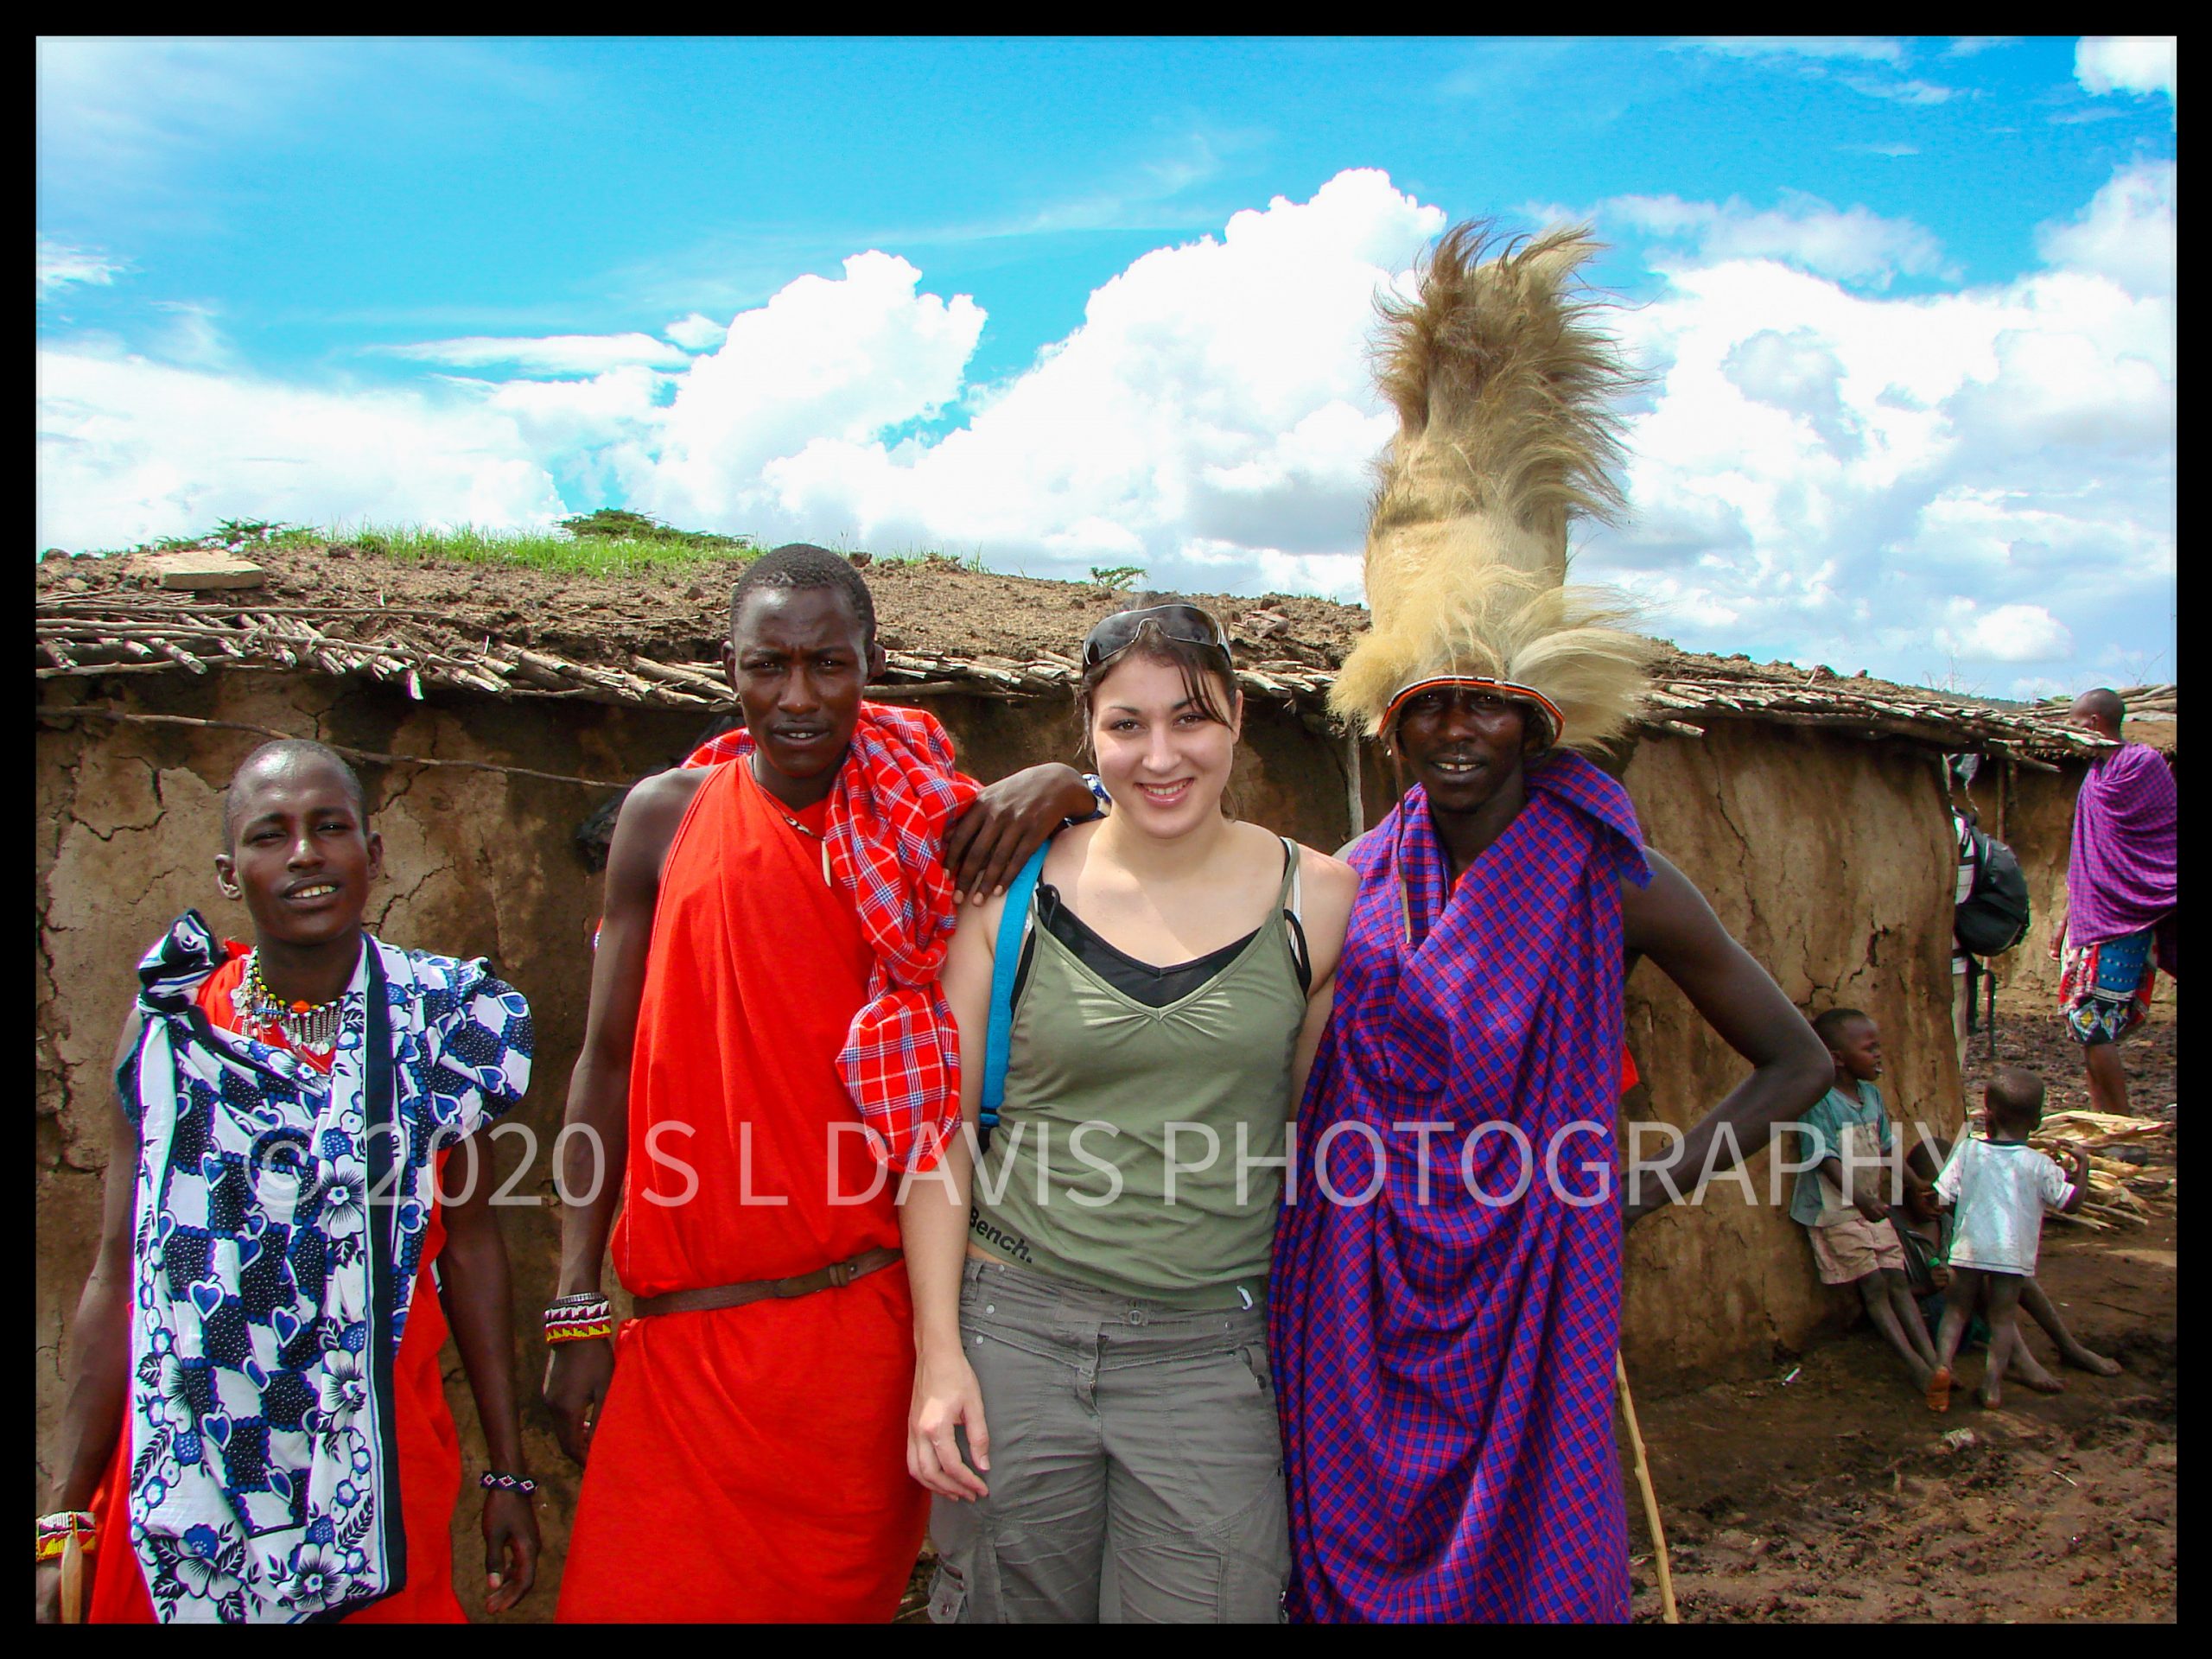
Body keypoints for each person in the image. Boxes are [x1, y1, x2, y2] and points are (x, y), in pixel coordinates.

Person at [1269, 221, 1834, 1624]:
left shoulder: (1610, 876)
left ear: (1539, 715)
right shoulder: (1350, 877)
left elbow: (1798, 1060)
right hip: (1353, 1279)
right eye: (1431, 707)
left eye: (1490, 705)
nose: (1461, 733)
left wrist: (1647, 1183)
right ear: (1393, 723)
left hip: (1536, 1291)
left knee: (1534, 1563)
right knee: (1333, 1549)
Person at [546, 543, 1103, 1622]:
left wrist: (1068, 783)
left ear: (871, 663)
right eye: (770, 666)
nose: (798, 699)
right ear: (731, 668)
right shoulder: (666, 819)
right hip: (680, 1348)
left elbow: (1129, 844)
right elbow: (604, 1062)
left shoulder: (928, 827)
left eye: (828, 665)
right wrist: (576, 1298)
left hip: (855, 1342)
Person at [902, 602, 1357, 1623]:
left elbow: (1331, 1130)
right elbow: (941, 1139)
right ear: (1088, 729)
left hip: (1212, 1357)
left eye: (1190, 718)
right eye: (1126, 725)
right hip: (1012, 1335)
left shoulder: (1320, 902)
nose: (1161, 756)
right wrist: (940, 1359)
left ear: (1237, 717)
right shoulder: (1004, 896)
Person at [38, 740, 539, 1624]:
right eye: (273, 835)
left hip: (377, 1464)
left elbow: (470, 1253)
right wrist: (66, 1512)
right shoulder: (175, 1036)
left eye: (329, 828)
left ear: (373, 854)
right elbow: (121, 1269)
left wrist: (506, 1468)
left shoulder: (433, 1029)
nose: (305, 854)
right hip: (191, 1474)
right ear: (232, 874)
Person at [1789, 1009, 1939, 1390]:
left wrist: (1918, 1182)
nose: (1878, 1056)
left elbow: (1888, 1149)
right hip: (1836, 1210)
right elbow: (1822, 1157)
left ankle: (1935, 1361)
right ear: (1837, 1057)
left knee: (1896, 1278)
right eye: (1870, 1049)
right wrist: (1860, 1199)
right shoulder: (1818, 1101)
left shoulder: (1870, 1096)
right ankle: (1914, 1365)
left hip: (1869, 1208)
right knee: (1873, 1286)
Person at [1927, 1069, 2091, 1411]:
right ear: (2037, 1121)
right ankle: (1991, 1387)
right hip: (2010, 1255)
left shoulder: (1969, 1152)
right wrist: (2083, 1169)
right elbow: (2071, 1203)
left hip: (1968, 1249)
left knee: (1956, 1312)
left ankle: (1942, 1367)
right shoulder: (2040, 1165)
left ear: (1987, 1116)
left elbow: (1941, 1197)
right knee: (2003, 1320)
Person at [1901, 1135, 2121, 1385]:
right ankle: (2020, 1361)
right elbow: (1893, 1294)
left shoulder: (1948, 1220)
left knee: (2012, 1277)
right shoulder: (1896, 1230)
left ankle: (2069, 1346)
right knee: (1978, 1280)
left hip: (1964, 1315)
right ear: (1909, 1186)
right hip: (1928, 1319)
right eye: (1928, 1195)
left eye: (1942, 1196)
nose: (1937, 1205)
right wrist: (1928, 1287)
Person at [2056, 688, 2177, 1116]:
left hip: (2127, 918)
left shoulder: (2143, 764)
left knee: (2096, 1028)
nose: (2070, 732)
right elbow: (2089, 852)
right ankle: (2102, 1119)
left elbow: (2162, 835)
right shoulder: (2094, 773)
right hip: (2092, 918)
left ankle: (2121, 1123)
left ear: (2094, 722)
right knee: (2085, 1026)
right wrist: (2069, 915)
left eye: (2074, 723)